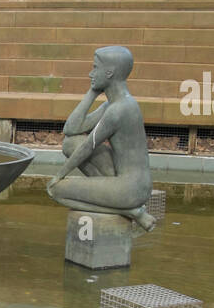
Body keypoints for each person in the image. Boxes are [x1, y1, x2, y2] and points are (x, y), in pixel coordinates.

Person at [47, 46, 156, 230]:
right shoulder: (112, 104)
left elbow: (88, 147)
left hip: (132, 188)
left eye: (95, 68)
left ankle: (131, 211)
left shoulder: (119, 110)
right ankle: (123, 207)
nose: (91, 73)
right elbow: (71, 129)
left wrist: (58, 176)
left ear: (109, 72)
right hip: (125, 180)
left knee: (56, 191)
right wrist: (93, 92)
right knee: (70, 143)